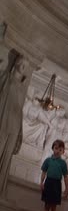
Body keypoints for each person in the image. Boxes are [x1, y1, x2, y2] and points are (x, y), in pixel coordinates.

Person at [0, 49, 28, 195]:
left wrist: (20, 131)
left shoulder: (22, 87)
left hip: (15, 124)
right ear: (17, 62)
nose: (24, 66)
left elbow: (20, 110)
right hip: (3, 119)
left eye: (26, 65)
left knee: (7, 158)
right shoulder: (7, 78)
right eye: (23, 63)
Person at [40, 139, 68, 211]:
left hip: (57, 185)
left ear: (63, 151)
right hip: (48, 183)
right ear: (52, 148)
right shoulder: (48, 161)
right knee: (46, 207)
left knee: (53, 208)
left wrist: (66, 189)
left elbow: (65, 176)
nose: (58, 151)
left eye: (60, 149)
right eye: (56, 148)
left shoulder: (63, 164)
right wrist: (41, 183)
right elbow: (44, 172)